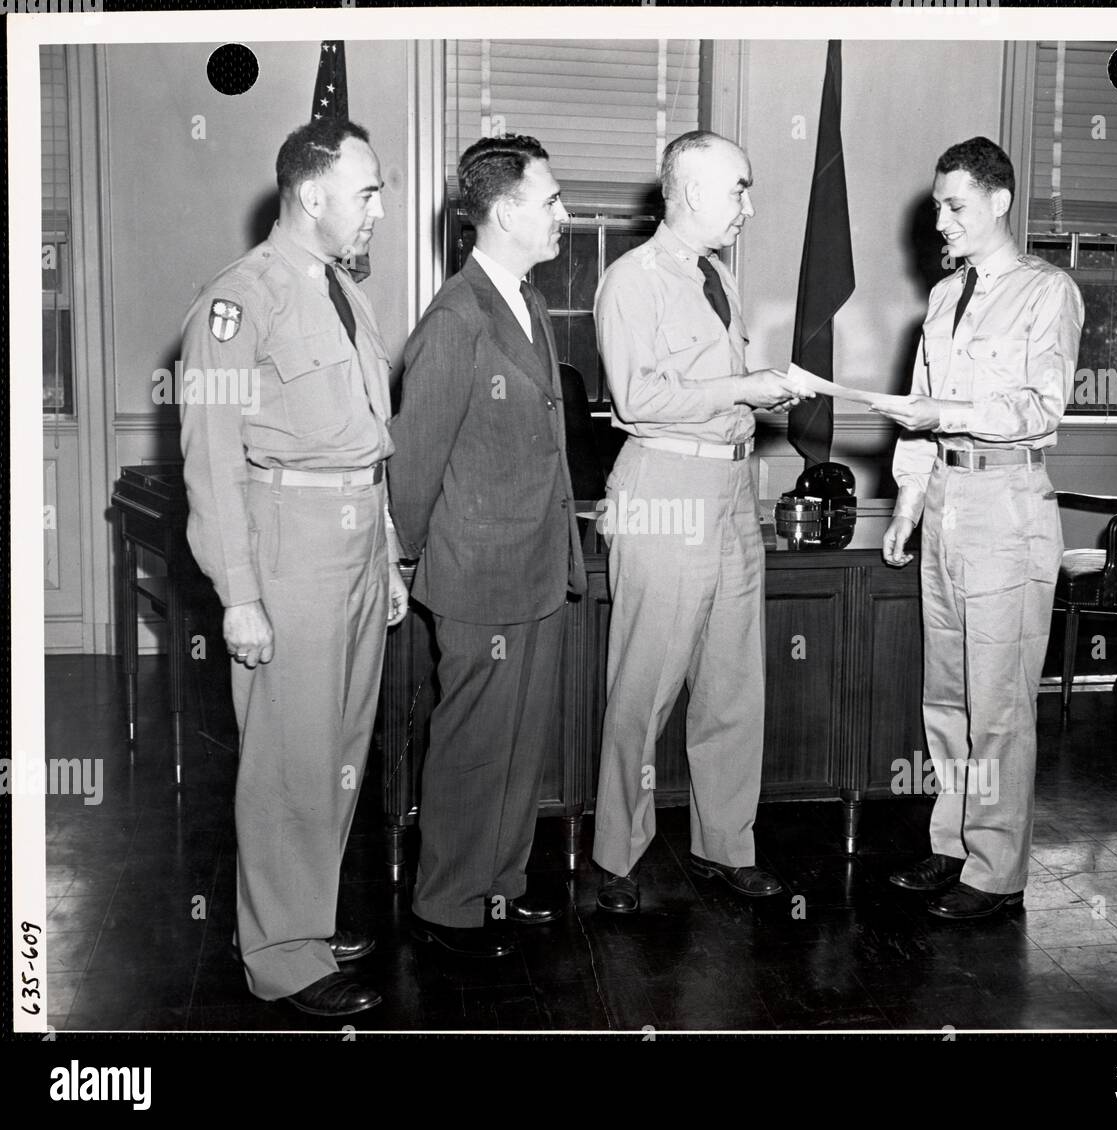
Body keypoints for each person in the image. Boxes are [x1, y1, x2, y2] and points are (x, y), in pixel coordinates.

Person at [179, 117, 408, 1016]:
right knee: (286, 753)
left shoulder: (346, 294)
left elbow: (371, 444)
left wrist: (386, 555)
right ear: (312, 195)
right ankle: (278, 954)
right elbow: (210, 459)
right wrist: (240, 596)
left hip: (355, 535)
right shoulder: (239, 301)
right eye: (367, 194)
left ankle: (306, 916)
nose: (379, 213)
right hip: (289, 537)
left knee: (340, 746)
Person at [591, 130, 804, 913]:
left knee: (732, 685)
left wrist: (755, 393)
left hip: (730, 494)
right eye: (738, 189)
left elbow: (718, 383)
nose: (749, 206)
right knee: (643, 686)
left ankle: (726, 845)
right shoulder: (632, 280)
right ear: (687, 191)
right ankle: (616, 857)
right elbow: (638, 400)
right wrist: (744, 389)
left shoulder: (718, 277)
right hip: (665, 484)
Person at [387, 135, 586, 958]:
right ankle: (449, 905)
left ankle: (498, 889)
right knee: (472, 746)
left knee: (517, 742)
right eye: (550, 201)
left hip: (535, 565)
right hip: (477, 574)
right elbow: (414, 464)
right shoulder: (455, 319)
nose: (564, 216)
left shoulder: (524, 300)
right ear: (504, 213)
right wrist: (403, 561)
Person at [879, 136, 1084, 920]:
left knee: (998, 703)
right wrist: (906, 501)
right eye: (936, 204)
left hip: (1008, 504)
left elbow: (1041, 410)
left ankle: (995, 873)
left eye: (954, 205)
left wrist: (948, 414)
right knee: (949, 696)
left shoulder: (1046, 292)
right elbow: (918, 406)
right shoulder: (943, 296)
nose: (940, 220)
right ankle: (954, 845)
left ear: (999, 202)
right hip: (946, 507)